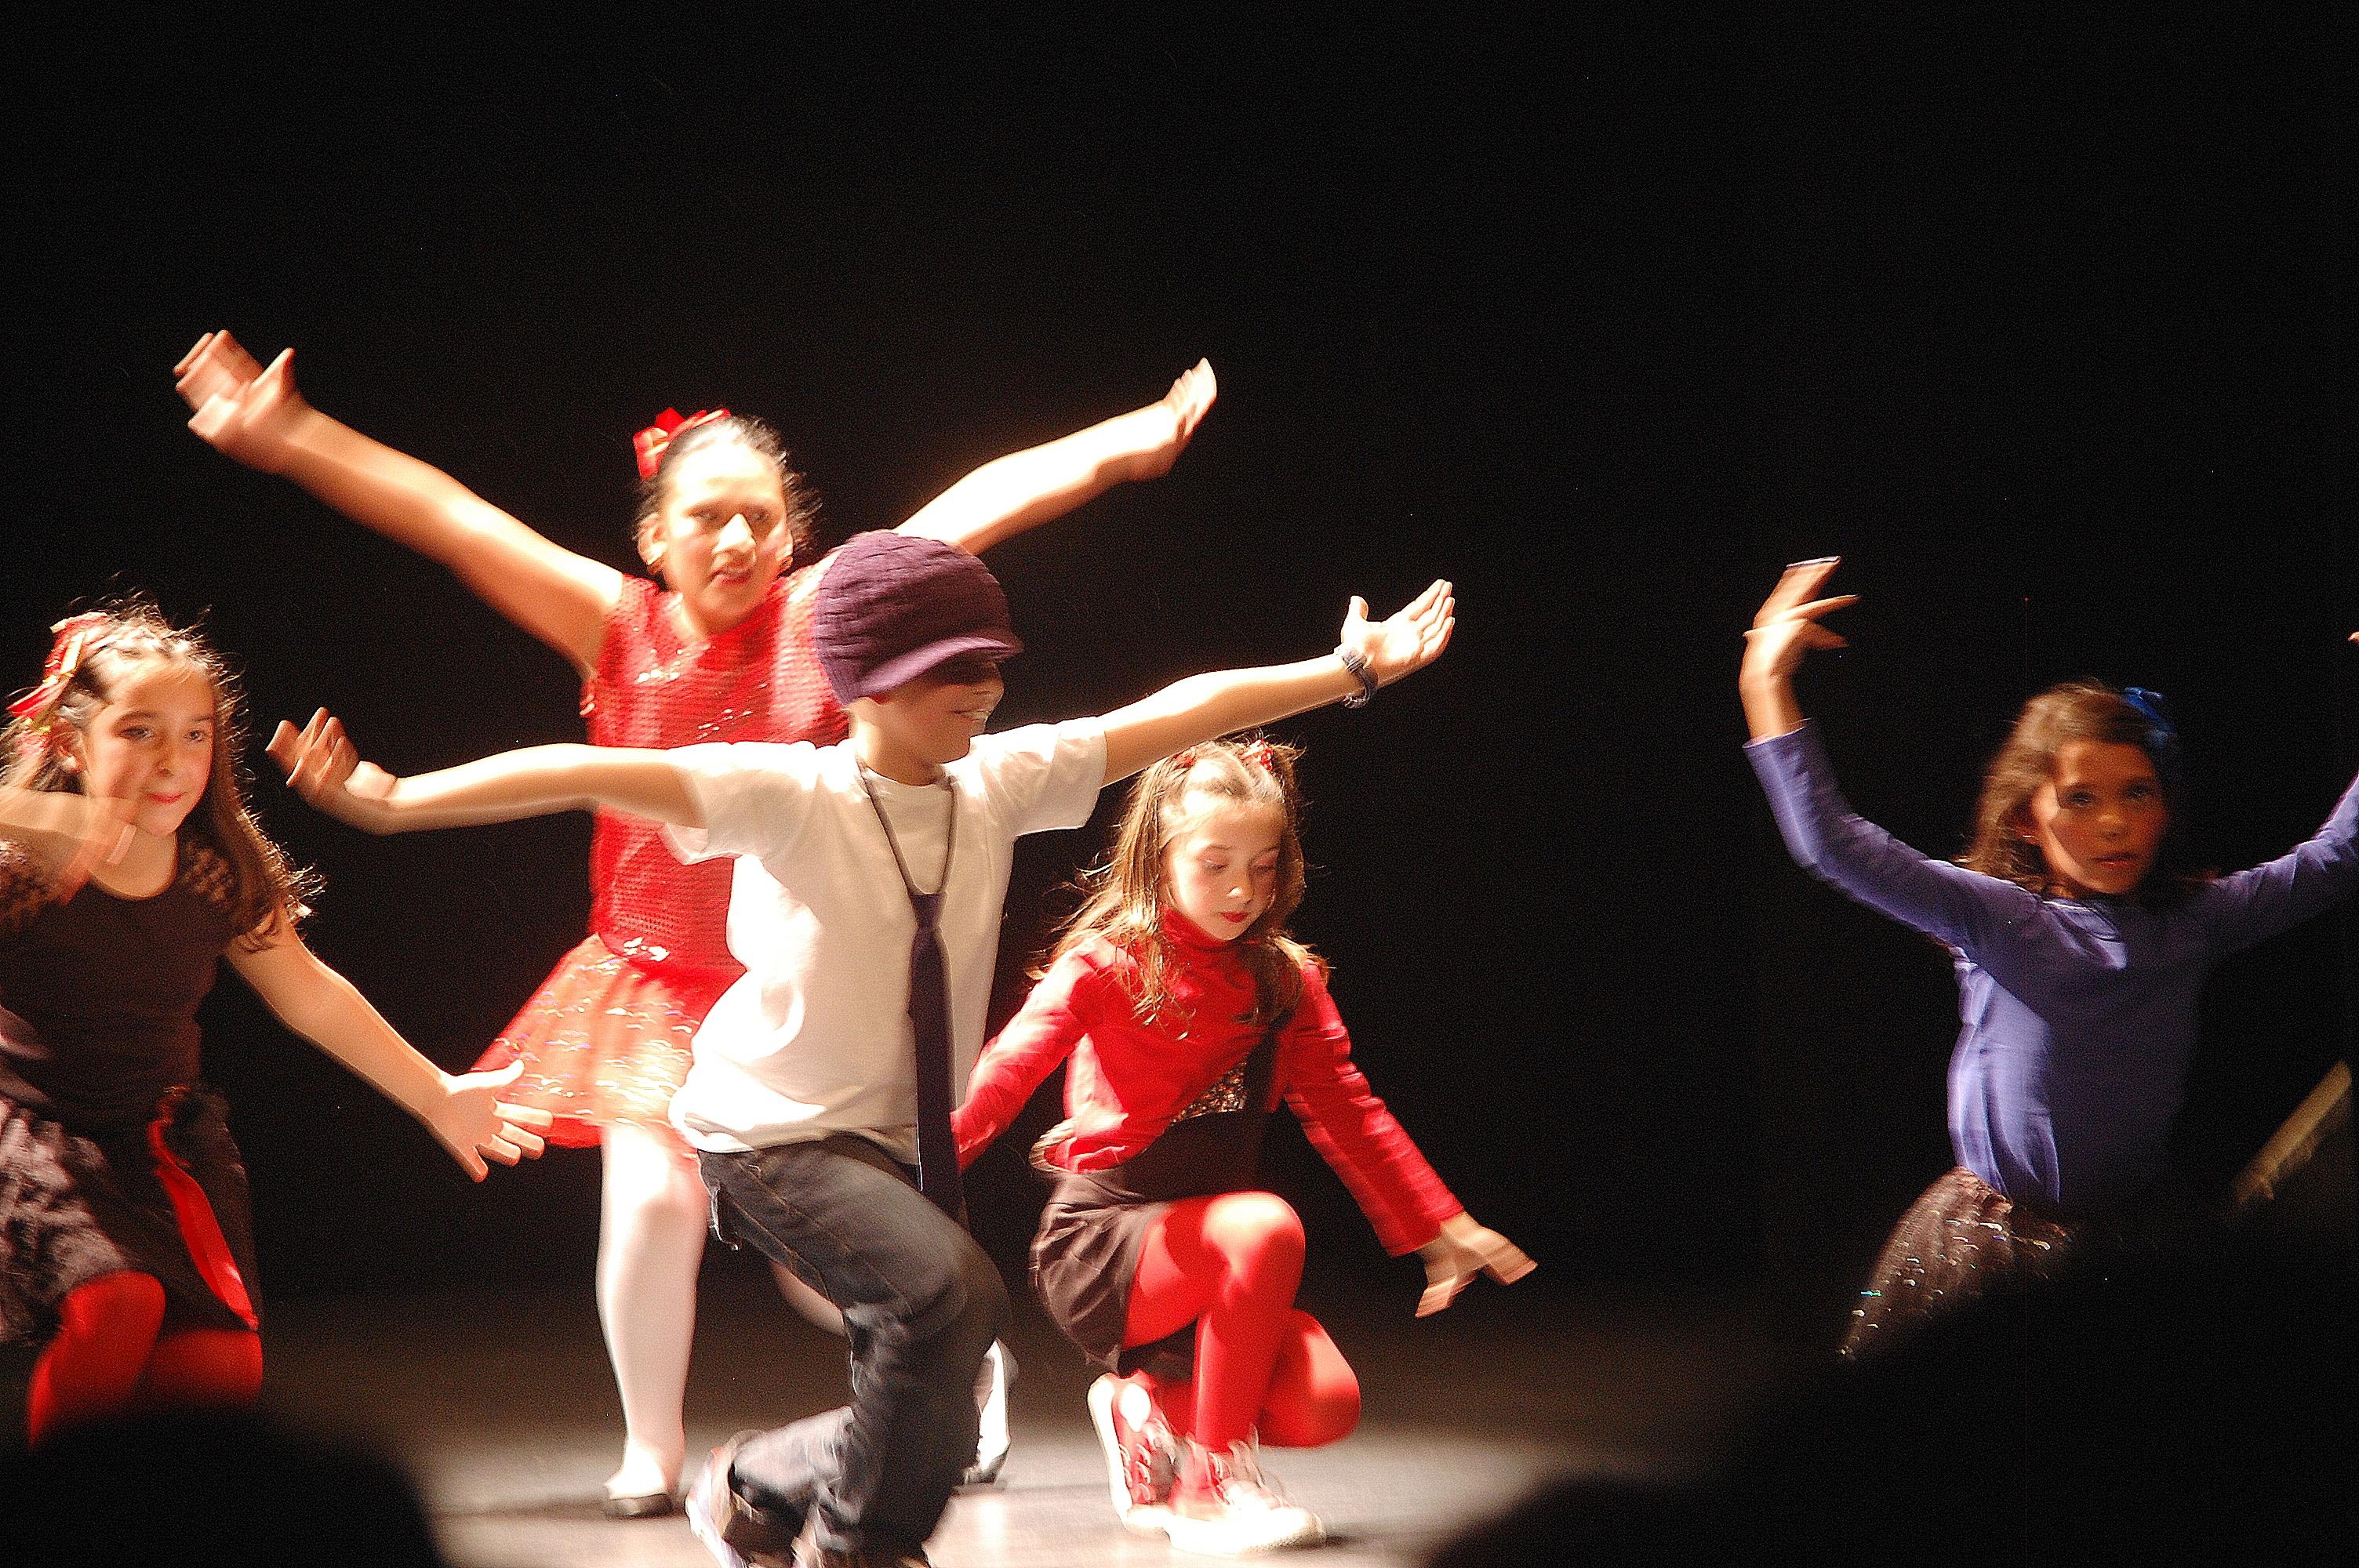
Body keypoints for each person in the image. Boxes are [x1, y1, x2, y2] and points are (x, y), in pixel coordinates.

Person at [264, 529, 1458, 1568]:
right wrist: (392, 800)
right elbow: (586, 770)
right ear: (872, 682)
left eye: (992, 665)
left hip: (884, 1142)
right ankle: (857, 1545)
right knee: (947, 1297)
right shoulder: (790, 792)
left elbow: (1175, 714)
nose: (986, 690)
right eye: (955, 670)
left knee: (935, 1355)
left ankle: (755, 1484)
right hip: (766, 1132)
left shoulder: (999, 781)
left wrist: (1347, 670)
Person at [174, 329, 1215, 1509]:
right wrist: (292, 435)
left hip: (799, 984)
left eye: (761, 519)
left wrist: (1120, 447)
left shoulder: (827, 613)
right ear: (654, 538)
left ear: (792, 535)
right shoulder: (613, 622)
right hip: (649, 975)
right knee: (653, 1197)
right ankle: (652, 1447)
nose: (737, 541)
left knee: (825, 1267)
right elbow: (454, 520)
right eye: (709, 518)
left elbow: (976, 506)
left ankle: (954, 1365)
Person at [1739, 557, 2359, 1358]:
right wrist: (1764, 681)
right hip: (1990, 1248)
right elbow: (1833, 845)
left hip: (2133, 1239)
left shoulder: (2193, 922)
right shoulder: (1998, 918)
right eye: (2080, 798)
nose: (2113, 823)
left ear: (2164, 808)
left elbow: (2334, 859)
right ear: (2028, 820)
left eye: (2136, 793)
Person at [952, 735, 1534, 1555]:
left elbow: (1350, 1110)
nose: (1241, 890)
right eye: (1215, 864)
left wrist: (1442, 1225)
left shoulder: (1285, 983)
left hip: (1216, 1252)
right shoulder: (1106, 965)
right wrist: (914, 1178)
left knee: (1322, 1403)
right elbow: (1004, 1076)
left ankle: (1143, 1408)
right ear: (1160, 861)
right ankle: (1207, 1489)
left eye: (1262, 868)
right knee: (1264, 1225)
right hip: (1105, 1246)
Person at [0, 604, 547, 1446]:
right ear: (74, 743)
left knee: (220, 1368)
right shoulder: (25, 868)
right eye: (138, 731)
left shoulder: (214, 876)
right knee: (119, 1302)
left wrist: (436, 1093)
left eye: (194, 735)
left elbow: (309, 993)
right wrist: (35, 815)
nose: (171, 761)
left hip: (158, 1144)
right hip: (38, 1135)